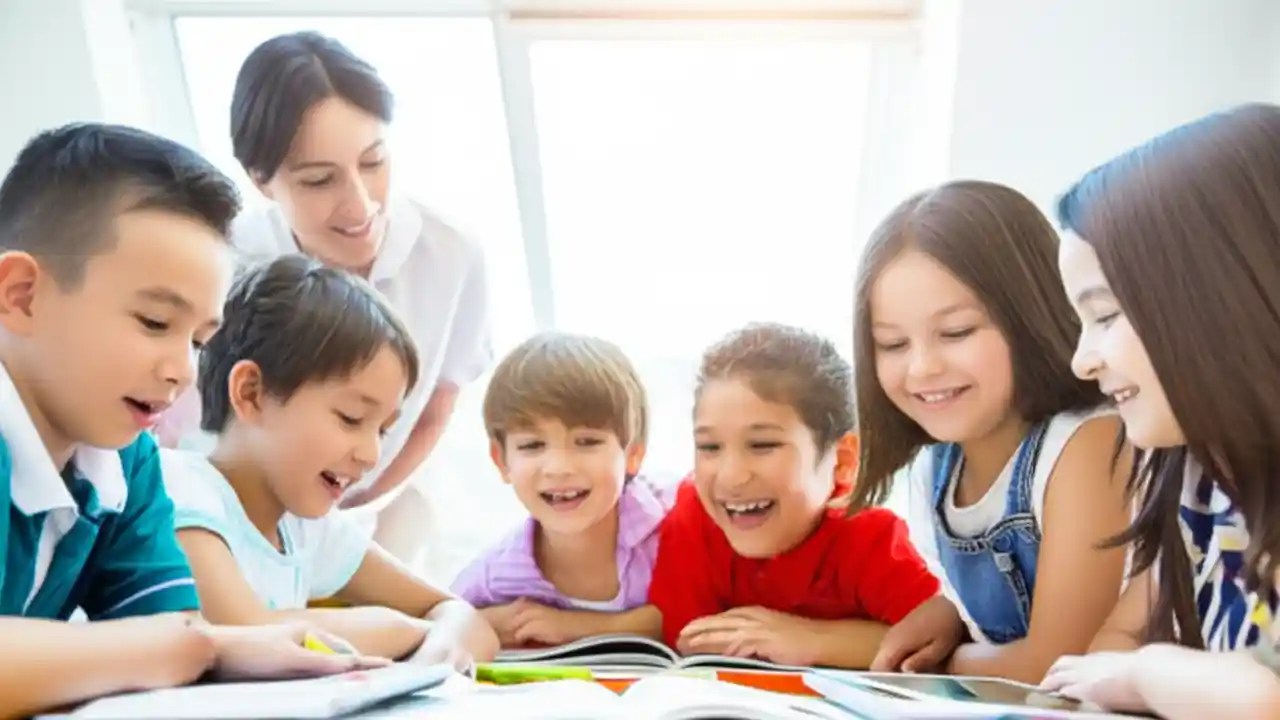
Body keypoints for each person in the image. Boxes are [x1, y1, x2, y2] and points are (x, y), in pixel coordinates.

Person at [0, 124, 381, 720]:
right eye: (154, 322)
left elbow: (170, 629)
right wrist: (192, 645)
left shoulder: (126, 464)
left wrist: (219, 646)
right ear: (21, 296)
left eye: (200, 340)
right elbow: (174, 642)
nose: (181, 370)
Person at [162, 30, 492, 567]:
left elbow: (435, 407)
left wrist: (350, 499)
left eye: (373, 162)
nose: (359, 204)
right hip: (241, 510)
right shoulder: (225, 263)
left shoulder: (450, 252)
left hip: (385, 497)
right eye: (319, 180)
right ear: (262, 180)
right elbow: (189, 427)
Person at [1040, 103, 1280, 720]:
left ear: (1223, 300)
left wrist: (1146, 674)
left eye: (1106, 315)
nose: (1082, 361)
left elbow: (1268, 698)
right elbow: (1101, 659)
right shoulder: (1196, 476)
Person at [854, 181, 1131, 684]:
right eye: (892, 344)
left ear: (1031, 315)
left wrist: (944, 664)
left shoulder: (1086, 445)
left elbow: (1054, 668)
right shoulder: (934, 469)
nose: (922, 368)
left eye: (956, 333)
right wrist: (953, 617)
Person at [163, 254, 498, 665]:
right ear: (251, 393)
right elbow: (243, 633)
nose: (372, 454)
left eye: (382, 429)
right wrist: (403, 630)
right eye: (351, 418)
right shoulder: (181, 487)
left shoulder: (305, 528)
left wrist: (436, 653)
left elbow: (462, 615)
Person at [648, 323, 938, 667]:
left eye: (763, 445)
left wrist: (813, 640)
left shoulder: (871, 540)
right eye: (709, 446)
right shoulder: (694, 519)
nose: (731, 476)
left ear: (843, 460)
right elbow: (685, 639)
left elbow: (940, 644)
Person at [451, 332, 667, 647]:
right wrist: (480, 623)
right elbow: (439, 623)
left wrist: (576, 625)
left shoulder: (673, 526)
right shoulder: (495, 576)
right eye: (532, 445)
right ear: (502, 461)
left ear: (633, 454)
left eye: (587, 442)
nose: (559, 467)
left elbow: (695, 614)